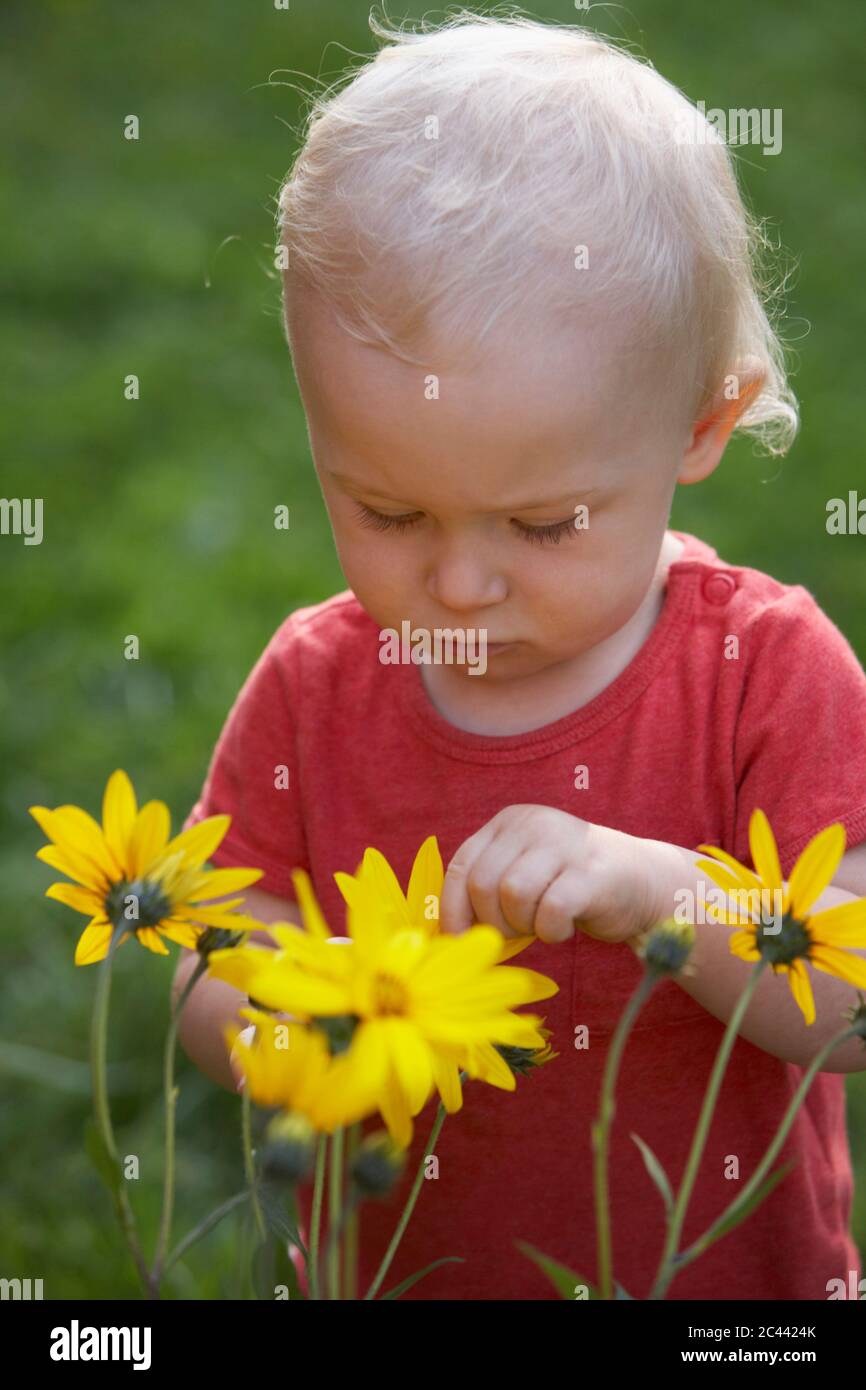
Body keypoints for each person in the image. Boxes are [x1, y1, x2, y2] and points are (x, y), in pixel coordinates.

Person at [173, 12, 866, 1299]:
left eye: (542, 524)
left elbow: (848, 1007)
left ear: (700, 424)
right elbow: (214, 939)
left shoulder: (763, 672)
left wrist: (668, 892)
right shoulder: (318, 682)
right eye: (387, 511)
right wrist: (297, 1028)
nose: (457, 581)